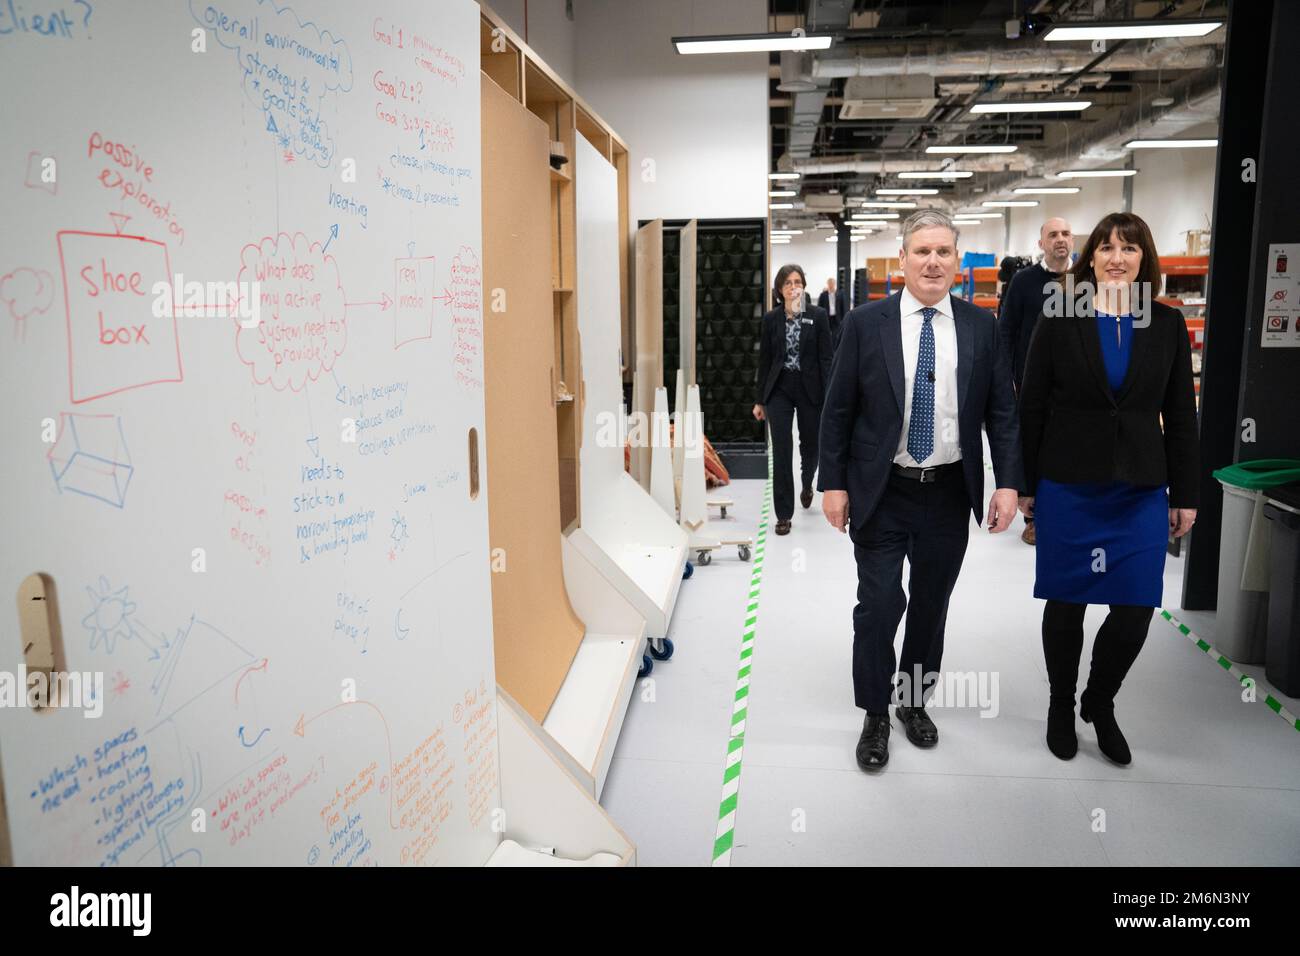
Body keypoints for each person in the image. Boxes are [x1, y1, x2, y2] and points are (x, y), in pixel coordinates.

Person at [818, 210, 1023, 772]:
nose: (933, 262)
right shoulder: (866, 323)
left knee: (931, 607)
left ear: (957, 262)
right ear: (902, 260)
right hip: (883, 490)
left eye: (943, 252)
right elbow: (837, 412)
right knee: (880, 606)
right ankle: (876, 713)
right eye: (922, 251)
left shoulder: (982, 326)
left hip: (948, 492)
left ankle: (913, 703)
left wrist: (1008, 483)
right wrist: (832, 484)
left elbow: (1003, 414)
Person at [1017, 211, 1199, 766]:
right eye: (1106, 247)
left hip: (1140, 486)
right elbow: (1032, 404)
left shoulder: (1166, 325)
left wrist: (1185, 492)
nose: (1117, 257)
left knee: (1137, 606)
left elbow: (1180, 415)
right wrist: (1025, 484)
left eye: (1130, 248)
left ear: (1145, 260)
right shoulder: (1059, 317)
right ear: (1089, 257)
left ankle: (1100, 700)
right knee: (1067, 601)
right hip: (1069, 482)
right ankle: (1059, 705)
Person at [998, 217, 1075, 546]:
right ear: (1041, 243)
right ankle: (1033, 517)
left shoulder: (1087, 279)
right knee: (1033, 445)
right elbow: (1007, 330)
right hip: (1030, 381)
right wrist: (1004, 378)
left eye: (1066, 234)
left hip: (1076, 383)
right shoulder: (1024, 282)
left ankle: (1067, 513)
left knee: (1069, 446)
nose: (1060, 239)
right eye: (1053, 235)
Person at [754, 264, 834, 535]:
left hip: (810, 387)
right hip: (779, 389)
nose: (793, 286)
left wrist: (830, 395)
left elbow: (826, 359)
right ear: (780, 289)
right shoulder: (770, 319)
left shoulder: (818, 316)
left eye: (797, 281)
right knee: (782, 451)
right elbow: (764, 361)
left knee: (811, 445)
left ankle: (807, 481)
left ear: (804, 286)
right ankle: (784, 514)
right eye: (787, 282)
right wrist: (759, 400)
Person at [817, 277, 848, 343]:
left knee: (835, 335)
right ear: (827, 284)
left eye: (832, 284)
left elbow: (843, 308)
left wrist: (844, 319)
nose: (831, 285)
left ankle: (834, 350)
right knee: (826, 334)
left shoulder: (840, 294)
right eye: (829, 284)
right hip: (826, 317)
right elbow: (819, 307)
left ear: (835, 284)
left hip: (837, 318)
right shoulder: (823, 295)